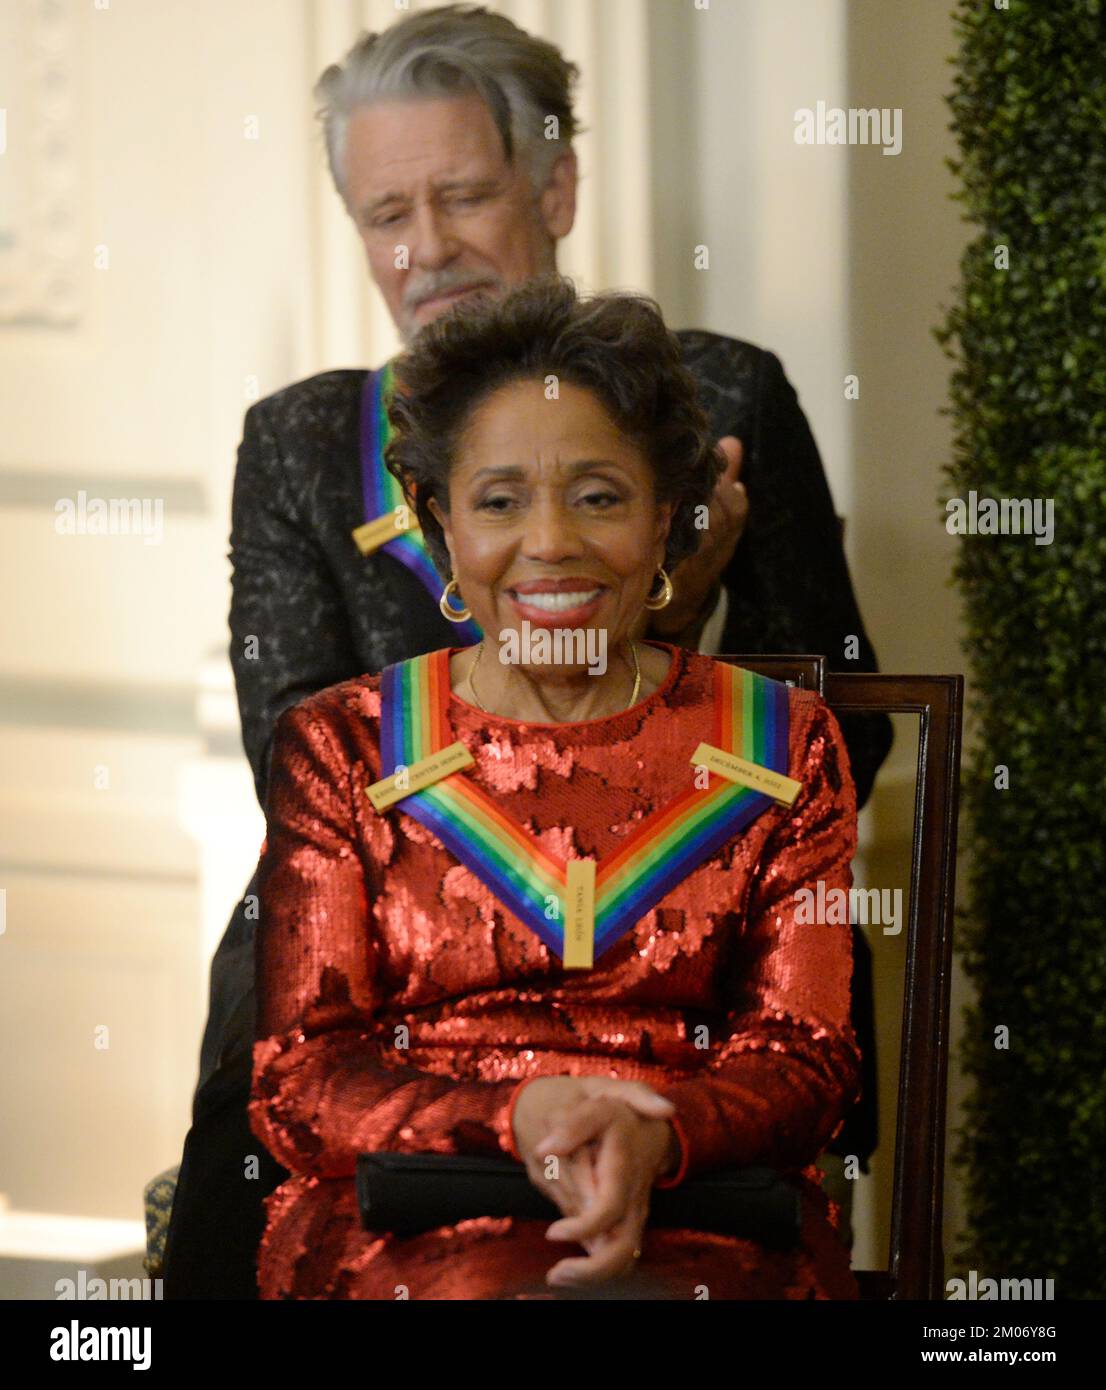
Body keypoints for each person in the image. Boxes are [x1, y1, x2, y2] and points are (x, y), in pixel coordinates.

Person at [162, 3, 888, 1298]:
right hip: (374, 954)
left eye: (464, 196)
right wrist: (659, 606)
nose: (425, 249)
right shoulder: (301, 439)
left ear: (552, 183)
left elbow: (842, 716)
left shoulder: (719, 396)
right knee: (263, 1130)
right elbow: (296, 753)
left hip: (691, 952)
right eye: (388, 216)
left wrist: (645, 654)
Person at [249, 274, 862, 1300]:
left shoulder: (781, 743)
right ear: (440, 524)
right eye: (499, 501)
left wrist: (651, 1137)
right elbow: (298, 1080)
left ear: (664, 518)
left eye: (597, 497)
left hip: (700, 1206)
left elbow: (806, 1060)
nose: (550, 544)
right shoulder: (342, 746)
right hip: (411, 1213)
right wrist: (513, 1120)